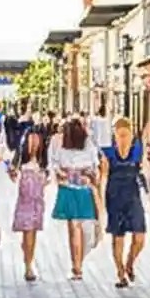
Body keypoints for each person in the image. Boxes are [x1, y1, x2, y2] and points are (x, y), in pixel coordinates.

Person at [50, 116, 101, 280]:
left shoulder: (69, 147)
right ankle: (77, 265)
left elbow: (56, 164)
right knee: (79, 227)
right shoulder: (84, 146)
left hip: (71, 190)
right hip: (81, 190)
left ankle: (76, 264)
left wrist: (62, 174)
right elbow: (95, 166)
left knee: (75, 229)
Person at [100, 117, 147, 288]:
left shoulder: (137, 150)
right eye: (120, 135)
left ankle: (129, 263)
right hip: (115, 196)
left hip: (133, 196)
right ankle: (120, 273)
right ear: (115, 135)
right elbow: (103, 176)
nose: (123, 138)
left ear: (131, 134)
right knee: (118, 237)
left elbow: (145, 171)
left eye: (126, 135)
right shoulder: (108, 153)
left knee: (140, 237)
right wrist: (99, 201)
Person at [9, 127, 48, 282]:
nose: (34, 143)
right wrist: (13, 172)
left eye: (36, 140)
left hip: (37, 200)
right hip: (25, 199)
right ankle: (28, 265)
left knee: (32, 231)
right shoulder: (20, 158)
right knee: (28, 231)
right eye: (31, 140)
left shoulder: (43, 160)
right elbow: (12, 170)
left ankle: (29, 262)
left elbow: (49, 175)